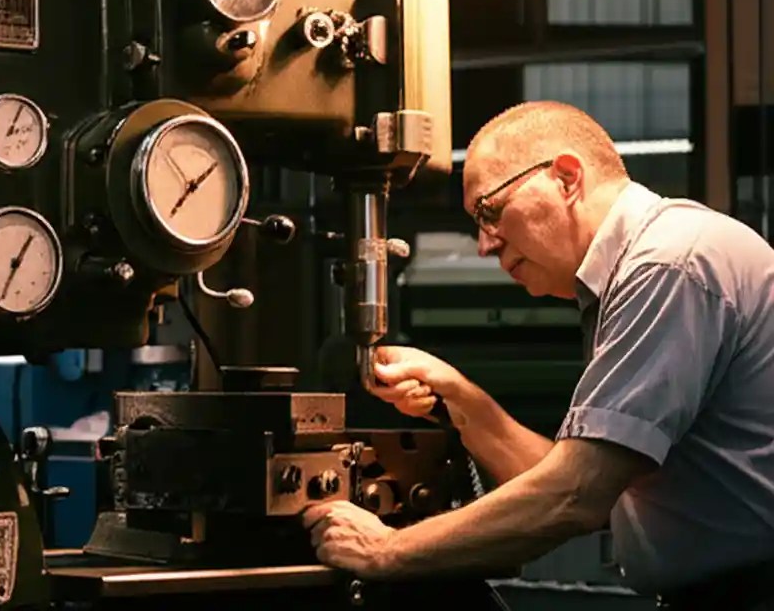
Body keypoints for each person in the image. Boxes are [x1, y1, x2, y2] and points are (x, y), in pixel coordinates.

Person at [302, 100, 774, 609]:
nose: (484, 244)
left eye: (489, 211)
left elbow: (577, 494)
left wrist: (386, 550)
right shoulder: (639, 269)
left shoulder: (669, 265)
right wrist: (461, 401)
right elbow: (588, 483)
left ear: (566, 177)